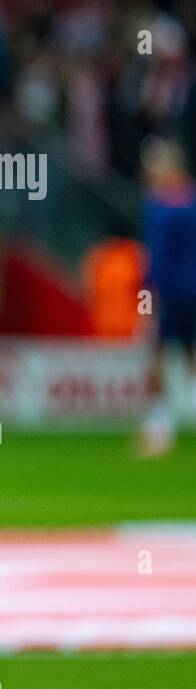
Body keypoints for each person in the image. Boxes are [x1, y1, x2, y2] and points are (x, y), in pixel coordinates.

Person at [138, 135, 196, 457]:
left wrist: (144, 305)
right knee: (190, 357)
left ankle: (158, 432)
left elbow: (154, 261)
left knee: (155, 358)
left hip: (169, 294)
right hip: (191, 292)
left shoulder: (158, 206)